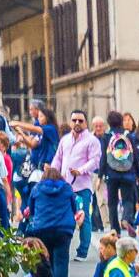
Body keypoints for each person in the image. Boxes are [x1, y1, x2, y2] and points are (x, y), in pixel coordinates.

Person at [53, 109, 103, 262]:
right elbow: (58, 158)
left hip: (82, 187)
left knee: (83, 218)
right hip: (64, 186)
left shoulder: (92, 141)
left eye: (80, 120)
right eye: (74, 120)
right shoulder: (65, 139)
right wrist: (51, 173)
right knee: (62, 217)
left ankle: (82, 251)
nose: (77, 123)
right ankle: (62, 249)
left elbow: (95, 161)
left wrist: (80, 171)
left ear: (86, 123)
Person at [23, 164, 79, 277]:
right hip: (63, 230)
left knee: (44, 259)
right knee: (61, 260)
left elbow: (32, 209)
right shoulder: (67, 188)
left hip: (42, 229)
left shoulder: (37, 188)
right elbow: (74, 207)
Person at [102, 110, 139, 233]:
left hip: (111, 173)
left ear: (109, 122)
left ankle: (115, 230)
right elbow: (135, 155)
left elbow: (103, 157)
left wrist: (100, 175)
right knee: (128, 200)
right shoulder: (127, 135)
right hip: (127, 172)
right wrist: (138, 174)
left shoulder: (107, 136)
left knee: (112, 202)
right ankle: (125, 218)